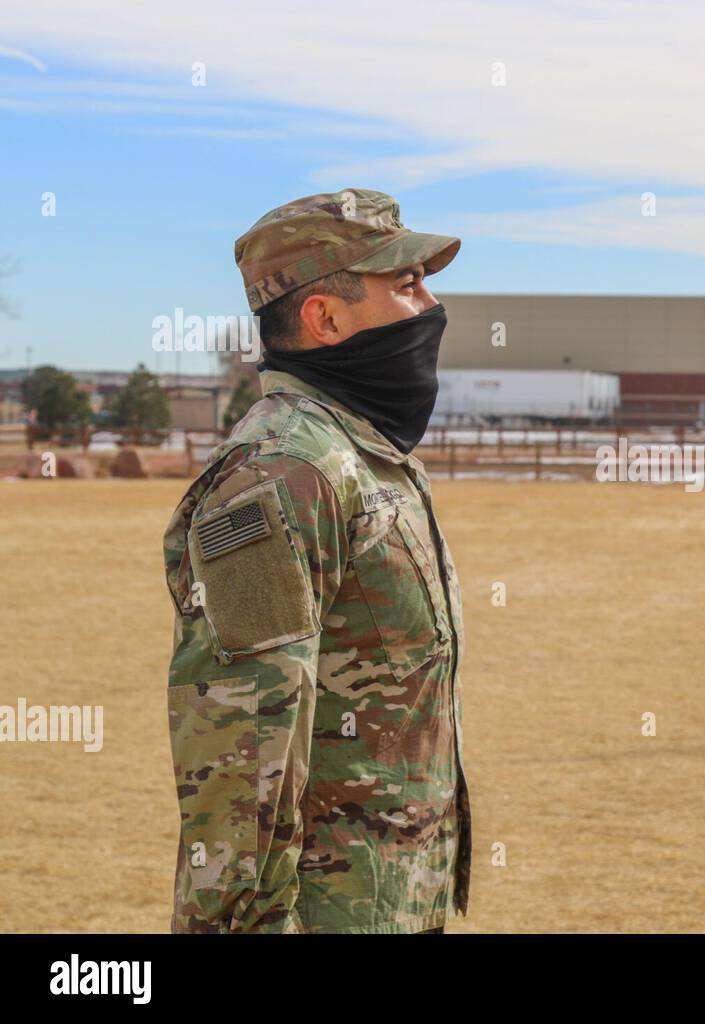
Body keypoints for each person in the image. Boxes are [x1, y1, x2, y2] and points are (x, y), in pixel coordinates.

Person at [162, 188, 470, 933]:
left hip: (392, 897)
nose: (431, 304)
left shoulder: (359, 453)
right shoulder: (282, 473)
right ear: (325, 319)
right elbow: (241, 752)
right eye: (405, 284)